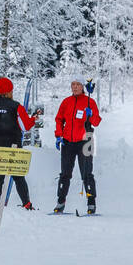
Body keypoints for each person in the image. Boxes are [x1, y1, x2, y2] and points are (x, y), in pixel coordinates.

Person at [0, 77, 37, 209]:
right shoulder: (16, 106)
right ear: (9, 91)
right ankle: (27, 204)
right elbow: (25, 126)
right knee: (18, 177)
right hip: (13, 147)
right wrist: (34, 118)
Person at [53, 79, 101, 214]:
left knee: (87, 173)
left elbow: (96, 122)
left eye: (78, 84)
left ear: (83, 87)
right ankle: (60, 202)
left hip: (85, 141)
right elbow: (59, 119)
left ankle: (91, 203)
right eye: (73, 84)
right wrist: (58, 135)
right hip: (68, 142)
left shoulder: (89, 102)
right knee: (65, 173)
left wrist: (91, 115)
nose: (75, 87)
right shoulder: (66, 102)